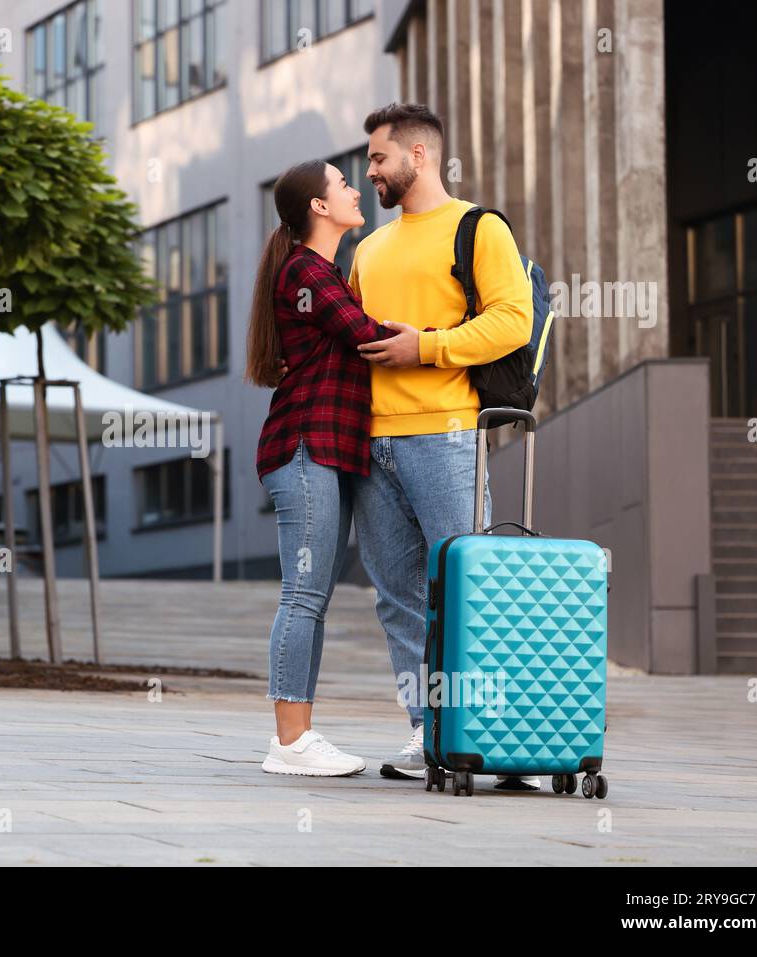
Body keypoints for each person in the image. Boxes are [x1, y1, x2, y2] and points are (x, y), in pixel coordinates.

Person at [348, 103, 537, 789]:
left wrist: (424, 346)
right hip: (374, 444)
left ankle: (500, 740)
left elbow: (513, 321)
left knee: (468, 590)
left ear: (418, 156)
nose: (369, 171)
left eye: (377, 158)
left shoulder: (476, 227)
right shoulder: (367, 249)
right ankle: (425, 732)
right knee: (398, 595)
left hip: (447, 435)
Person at [247, 159, 394, 776]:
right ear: (318, 207)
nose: (355, 189)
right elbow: (364, 333)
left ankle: (296, 735)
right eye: (341, 184)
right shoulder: (306, 271)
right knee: (303, 595)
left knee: (312, 597)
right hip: (305, 448)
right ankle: (289, 740)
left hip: (323, 452)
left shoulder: (319, 271)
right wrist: (453, 338)